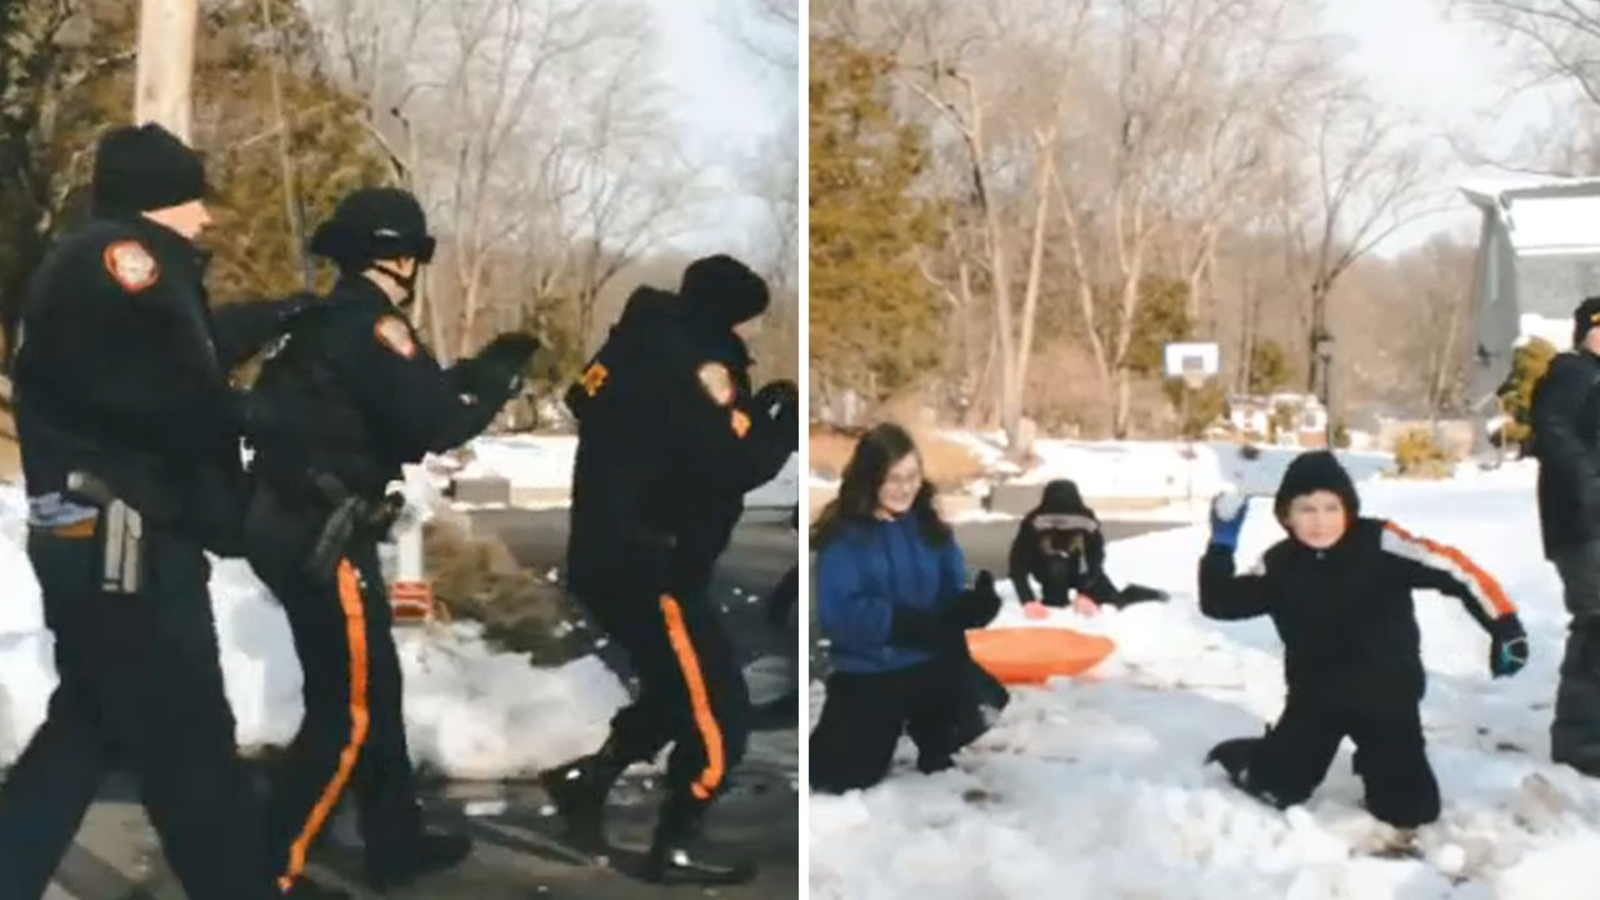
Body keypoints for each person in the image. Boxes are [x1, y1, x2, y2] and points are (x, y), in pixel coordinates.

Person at [0, 123, 312, 898]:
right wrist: (247, 416)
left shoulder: (103, 268)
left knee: (96, 723)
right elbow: (148, 387)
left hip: (105, 528)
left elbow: (175, 354)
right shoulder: (122, 263)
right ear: (157, 202)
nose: (205, 217)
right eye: (193, 200)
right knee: (186, 730)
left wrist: (274, 315)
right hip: (125, 533)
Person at [243, 187, 538, 893]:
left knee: (374, 682)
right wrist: (495, 382)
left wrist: (466, 376)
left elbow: (394, 399)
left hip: (292, 519)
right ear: (400, 258)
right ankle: (263, 870)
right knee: (347, 708)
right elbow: (433, 426)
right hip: (322, 531)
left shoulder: (325, 321)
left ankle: (393, 841)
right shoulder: (375, 326)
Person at [540, 255, 797, 884]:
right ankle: (677, 843)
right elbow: (733, 461)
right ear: (726, 314)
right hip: (656, 567)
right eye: (748, 321)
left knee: (673, 692)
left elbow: (613, 411)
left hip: (610, 557)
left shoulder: (634, 342)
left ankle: (586, 779)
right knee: (719, 710)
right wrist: (778, 428)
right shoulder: (696, 361)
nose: (751, 335)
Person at [1200, 451, 1529, 829]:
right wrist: (1221, 544)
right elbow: (1221, 603)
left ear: (1348, 508)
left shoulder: (1381, 543)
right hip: (1314, 702)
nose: (1320, 521)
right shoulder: (1280, 563)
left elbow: (1456, 571)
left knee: (1410, 812)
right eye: (1306, 509)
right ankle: (1262, 756)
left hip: (1387, 701)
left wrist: (1504, 625)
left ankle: (1378, 763)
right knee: (1277, 788)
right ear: (1286, 515)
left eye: (1330, 506)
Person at [809, 423, 1007, 794]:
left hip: (931, 663)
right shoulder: (845, 537)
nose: (905, 488)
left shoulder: (931, 528)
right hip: (872, 670)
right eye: (893, 478)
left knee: (971, 704)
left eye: (912, 476)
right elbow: (839, 616)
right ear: (871, 479)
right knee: (839, 778)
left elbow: (951, 589)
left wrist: (974, 605)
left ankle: (936, 738)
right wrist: (903, 624)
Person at [1530, 296, 1600, 776]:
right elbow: (1552, 430)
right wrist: (1592, 484)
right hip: (1582, 526)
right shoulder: (1576, 372)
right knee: (1595, 625)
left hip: (1587, 522)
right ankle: (1579, 741)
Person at [1007, 478, 1167, 615]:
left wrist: (1089, 592)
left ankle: (1144, 594)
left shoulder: (1084, 520)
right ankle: (1056, 599)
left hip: (1080, 572)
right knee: (1055, 588)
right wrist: (1027, 600)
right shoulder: (1034, 522)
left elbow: (1095, 557)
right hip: (1048, 572)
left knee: (1111, 601)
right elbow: (1018, 563)